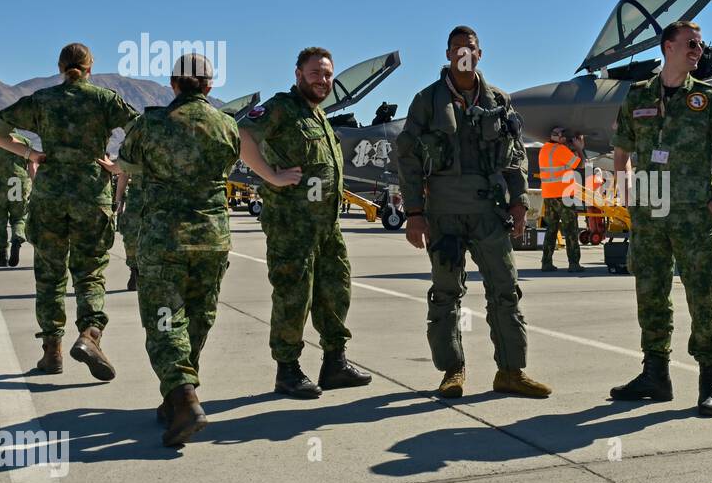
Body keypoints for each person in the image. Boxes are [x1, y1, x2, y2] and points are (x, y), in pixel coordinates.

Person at [396, 25, 551, 399]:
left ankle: (511, 372)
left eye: (470, 47)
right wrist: (414, 213)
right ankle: (453, 371)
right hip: (443, 213)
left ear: (480, 54)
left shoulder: (499, 99)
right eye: (456, 48)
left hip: (488, 211)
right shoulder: (427, 101)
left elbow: (515, 158)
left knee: (505, 290)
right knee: (447, 294)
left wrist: (519, 204)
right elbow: (409, 159)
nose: (463, 52)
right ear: (448, 55)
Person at [609, 20, 712, 416]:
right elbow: (621, 154)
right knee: (650, 295)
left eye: (700, 45)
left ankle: (709, 379)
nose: (698, 50)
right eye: (691, 44)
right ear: (668, 46)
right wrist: (629, 197)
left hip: (693, 215)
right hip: (650, 215)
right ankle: (655, 374)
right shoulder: (638, 96)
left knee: (703, 297)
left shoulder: (709, 99)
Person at [0, 43, 138, 378]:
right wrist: (119, 165)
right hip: (91, 196)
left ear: (60, 66)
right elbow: (142, 133)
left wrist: (29, 154)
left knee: (50, 276)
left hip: (50, 196)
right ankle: (90, 334)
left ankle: (51, 352)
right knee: (90, 273)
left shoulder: (42, 100)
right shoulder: (105, 100)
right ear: (90, 67)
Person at [115, 54, 241, 446]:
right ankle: (178, 397)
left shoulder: (149, 124)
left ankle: (183, 396)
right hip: (212, 237)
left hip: (163, 238)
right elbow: (231, 164)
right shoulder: (227, 125)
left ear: (173, 84)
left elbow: (127, 166)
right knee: (199, 315)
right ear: (209, 85)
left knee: (166, 319)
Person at [239, 47, 372, 399]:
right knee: (293, 295)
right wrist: (271, 176)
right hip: (291, 226)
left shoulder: (319, 117)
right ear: (298, 74)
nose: (323, 80)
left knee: (334, 292)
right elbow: (242, 135)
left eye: (327, 74)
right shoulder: (282, 107)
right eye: (315, 73)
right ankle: (287, 371)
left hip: (327, 227)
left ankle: (334, 363)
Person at [0, 132, 36, 267]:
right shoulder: (26, 142)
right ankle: (17, 238)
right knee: (19, 218)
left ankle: (2, 256)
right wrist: (35, 186)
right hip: (19, 184)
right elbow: (32, 168)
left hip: (0, 185)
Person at [538, 125, 582, 272]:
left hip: (549, 195)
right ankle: (574, 264)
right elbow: (579, 164)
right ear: (560, 138)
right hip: (564, 196)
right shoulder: (561, 150)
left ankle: (546, 262)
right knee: (571, 230)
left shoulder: (544, 149)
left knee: (551, 229)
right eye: (565, 138)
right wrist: (579, 148)